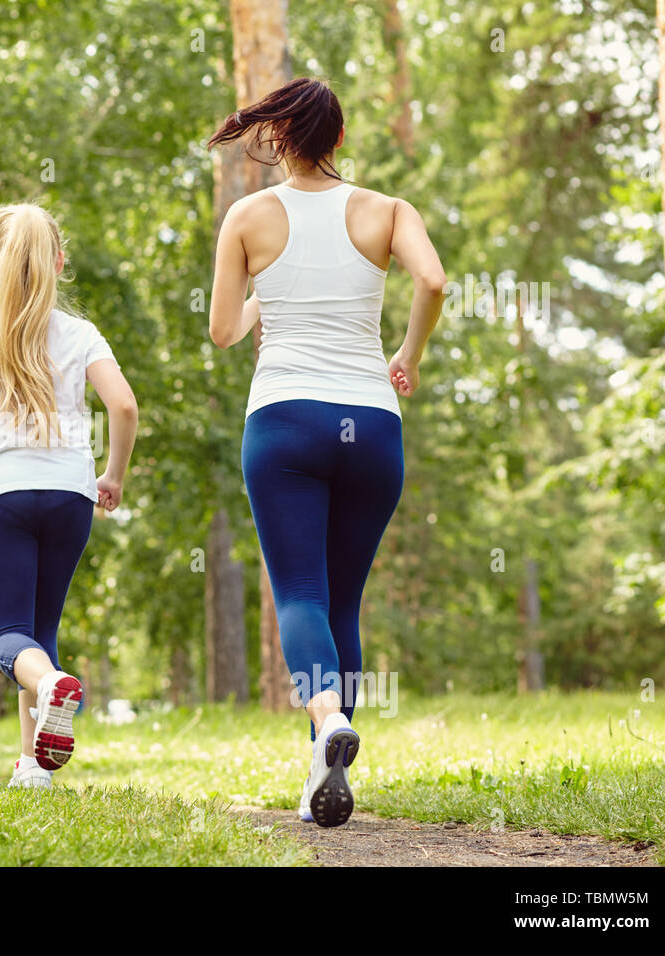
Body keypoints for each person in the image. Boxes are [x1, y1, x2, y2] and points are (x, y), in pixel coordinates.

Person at [207, 77, 446, 826]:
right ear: (339, 139)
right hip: (371, 424)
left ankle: (326, 716)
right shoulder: (388, 210)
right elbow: (433, 279)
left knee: (300, 595)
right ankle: (324, 759)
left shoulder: (248, 216)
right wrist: (408, 351)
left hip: (284, 421)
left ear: (276, 139)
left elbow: (222, 332)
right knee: (343, 600)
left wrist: (267, 294)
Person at [0, 202, 138, 789]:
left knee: (6, 636)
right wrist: (113, 473)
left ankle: (49, 689)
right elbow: (123, 406)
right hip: (72, 495)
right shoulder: (81, 334)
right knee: (39, 632)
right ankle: (33, 767)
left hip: (6, 497)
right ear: (59, 263)